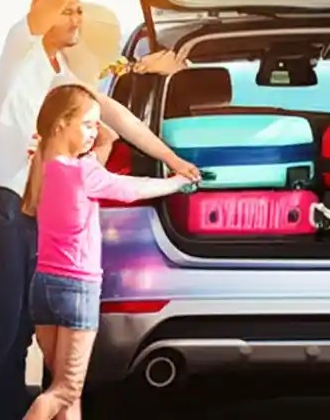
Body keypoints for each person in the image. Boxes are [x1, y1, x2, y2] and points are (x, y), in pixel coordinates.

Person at [0, 0, 202, 420]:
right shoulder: (22, 47)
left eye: (79, 10)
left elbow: (115, 114)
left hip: (34, 208)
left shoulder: (66, 73)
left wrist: (172, 159)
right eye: (67, 8)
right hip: (2, 201)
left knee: (25, 329)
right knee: (5, 324)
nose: (74, 16)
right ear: (43, 11)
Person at [21, 83, 197, 419]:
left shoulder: (41, 162)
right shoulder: (84, 172)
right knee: (65, 390)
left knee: (68, 395)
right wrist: (177, 181)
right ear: (61, 123)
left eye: (94, 125)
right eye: (87, 124)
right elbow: (132, 189)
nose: (93, 132)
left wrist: (97, 127)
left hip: (44, 286)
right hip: (78, 288)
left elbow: (103, 143)